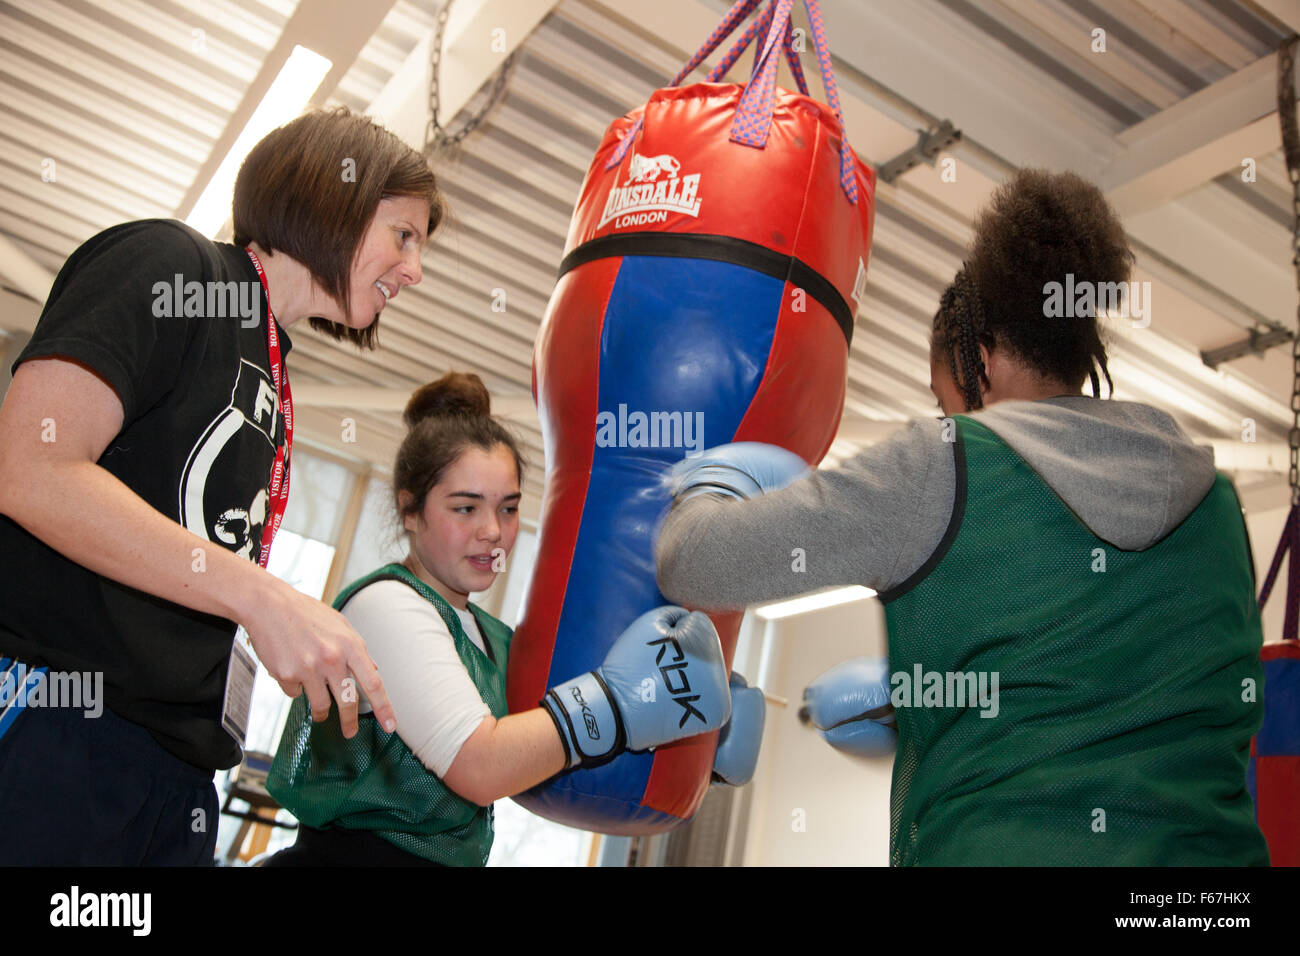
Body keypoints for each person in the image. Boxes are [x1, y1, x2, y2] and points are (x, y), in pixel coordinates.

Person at [655, 168, 1270, 866]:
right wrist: (945, 695)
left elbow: (692, 561)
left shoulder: (945, 463)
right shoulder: (1219, 504)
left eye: (945, 399)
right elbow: (1137, 687)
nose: (947, 419)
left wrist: (710, 474)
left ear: (979, 363)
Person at [0, 106, 434, 865]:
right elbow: (29, 467)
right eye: (404, 235)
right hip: (58, 723)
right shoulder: (174, 263)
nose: (415, 271)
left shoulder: (270, 360)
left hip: (176, 770)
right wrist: (261, 596)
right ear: (332, 196)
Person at [263, 372, 731, 866]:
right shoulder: (386, 608)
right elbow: (482, 766)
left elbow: (541, 756)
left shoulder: (490, 639)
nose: (493, 531)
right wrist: (617, 701)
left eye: (508, 509)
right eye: (465, 508)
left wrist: (691, 740)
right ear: (409, 510)